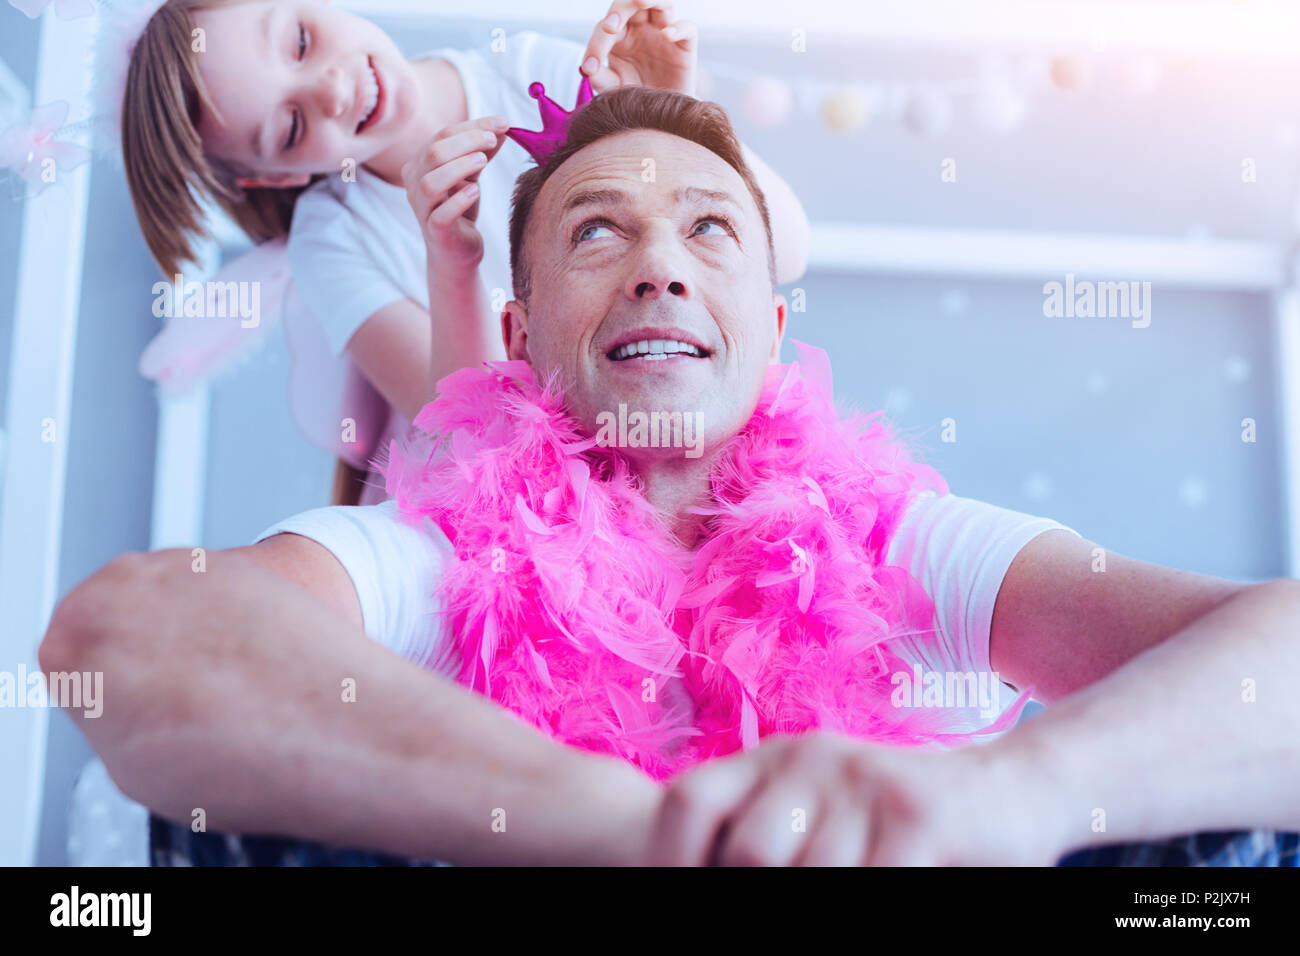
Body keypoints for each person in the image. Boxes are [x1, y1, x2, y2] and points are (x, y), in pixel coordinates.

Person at [45, 85, 1300, 866]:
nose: (659, 266)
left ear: (764, 314)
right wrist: (629, 834)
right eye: (596, 230)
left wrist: (1014, 798)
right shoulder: (443, 561)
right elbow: (125, 631)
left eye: (708, 228)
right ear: (524, 333)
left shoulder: (908, 544)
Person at [118, 0, 809, 502]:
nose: (331, 89)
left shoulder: (529, 70)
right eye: (293, 124)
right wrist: (451, 258)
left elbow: (788, 251)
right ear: (276, 177)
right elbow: (477, 444)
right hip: (524, 523)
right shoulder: (332, 242)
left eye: (300, 40)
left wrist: (668, 119)